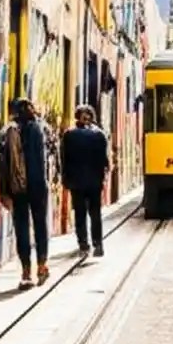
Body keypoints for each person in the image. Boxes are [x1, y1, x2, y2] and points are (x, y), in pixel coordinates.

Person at [0, 98, 51, 289]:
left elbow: (2, 163)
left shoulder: (8, 131)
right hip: (38, 186)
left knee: (22, 229)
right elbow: (51, 156)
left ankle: (26, 271)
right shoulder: (42, 128)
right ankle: (42, 266)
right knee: (40, 226)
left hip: (18, 187)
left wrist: (4, 190)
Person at [61, 104, 111, 257]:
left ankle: (83, 244)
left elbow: (64, 160)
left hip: (76, 182)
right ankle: (98, 243)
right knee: (95, 213)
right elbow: (105, 162)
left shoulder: (68, 135)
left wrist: (65, 179)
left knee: (80, 214)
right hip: (95, 183)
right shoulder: (100, 135)